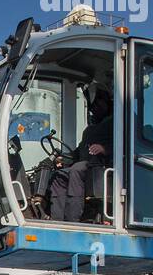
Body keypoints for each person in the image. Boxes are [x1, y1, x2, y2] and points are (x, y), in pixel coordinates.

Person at [48, 88, 113, 222]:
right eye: (94, 106)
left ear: (108, 104)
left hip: (100, 165)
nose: (95, 108)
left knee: (76, 170)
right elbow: (78, 151)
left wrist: (104, 148)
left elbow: (124, 145)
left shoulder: (115, 123)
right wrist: (63, 159)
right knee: (59, 175)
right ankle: (57, 219)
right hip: (84, 163)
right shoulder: (89, 129)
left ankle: (73, 218)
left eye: (99, 105)